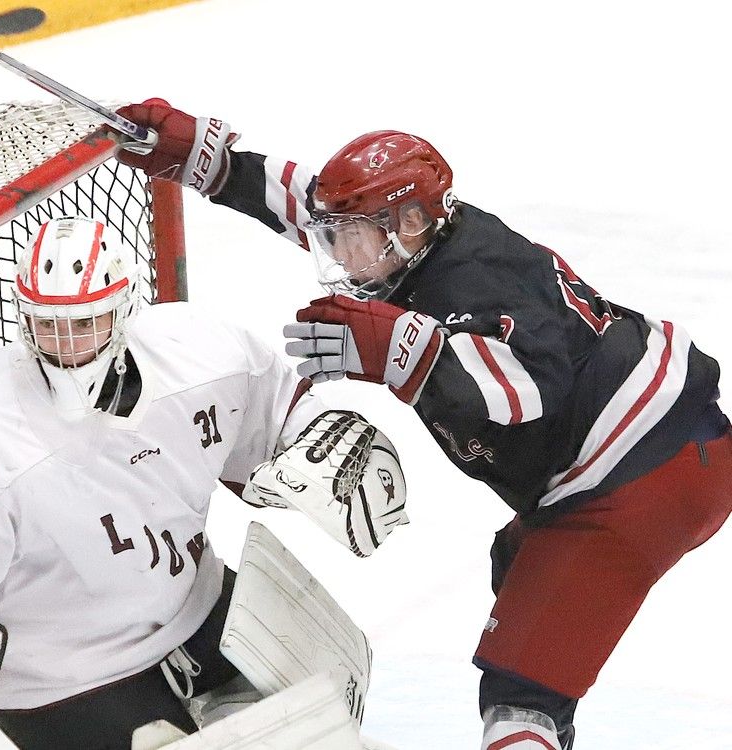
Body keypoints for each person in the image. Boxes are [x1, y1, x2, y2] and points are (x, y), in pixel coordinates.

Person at [113, 100, 732, 750]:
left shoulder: (476, 279)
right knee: (518, 560)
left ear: (409, 221)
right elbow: (318, 208)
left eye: (355, 232)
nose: (339, 249)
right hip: (675, 447)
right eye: (339, 231)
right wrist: (210, 163)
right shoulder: (423, 240)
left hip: (634, 485)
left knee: (519, 703)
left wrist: (405, 349)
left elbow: (528, 387)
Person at [0, 215, 408, 750]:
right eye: (49, 325)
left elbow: (275, 405)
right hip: (68, 678)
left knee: (323, 721)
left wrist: (320, 441)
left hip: (198, 606)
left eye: (85, 323)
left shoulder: (197, 353)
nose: (67, 347)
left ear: (123, 311)